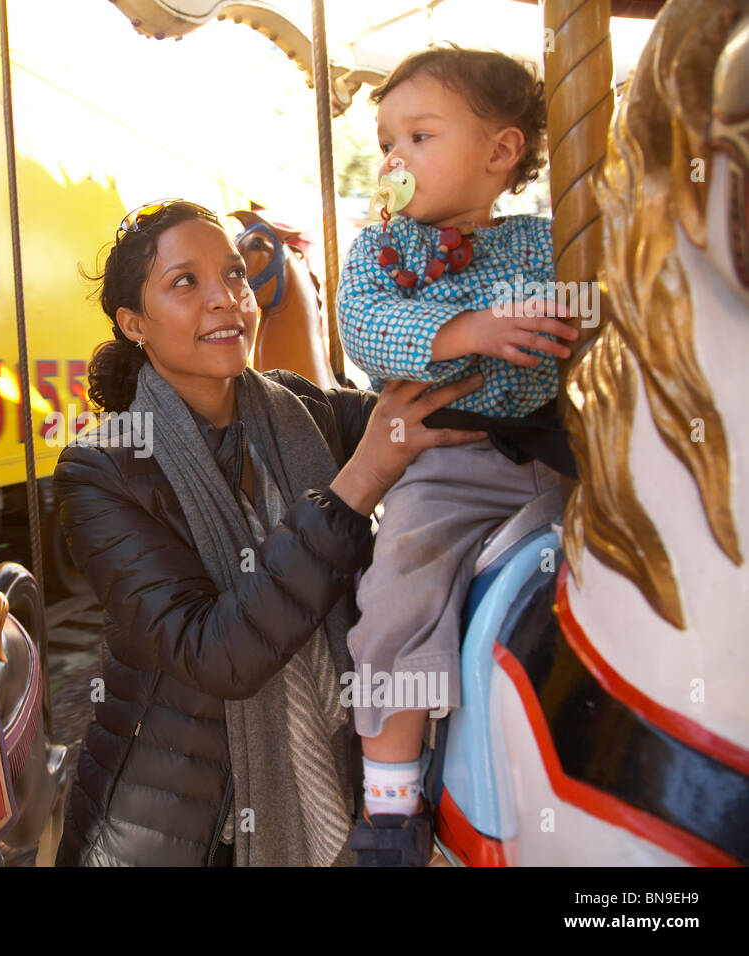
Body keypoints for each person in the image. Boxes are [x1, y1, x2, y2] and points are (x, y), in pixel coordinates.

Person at [53, 199, 487, 866]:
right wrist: (356, 487)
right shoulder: (102, 469)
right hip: (177, 829)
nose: (227, 299)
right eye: (185, 282)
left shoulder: (301, 409)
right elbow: (218, 654)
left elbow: (443, 420)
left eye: (232, 275)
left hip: (322, 785)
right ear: (133, 323)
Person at [336, 47, 581, 865]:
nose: (394, 157)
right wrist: (467, 333)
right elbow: (366, 329)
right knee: (398, 592)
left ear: (500, 151)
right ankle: (392, 804)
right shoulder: (382, 252)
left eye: (419, 135)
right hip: (447, 466)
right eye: (387, 141)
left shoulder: (555, 240)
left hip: (562, 449)